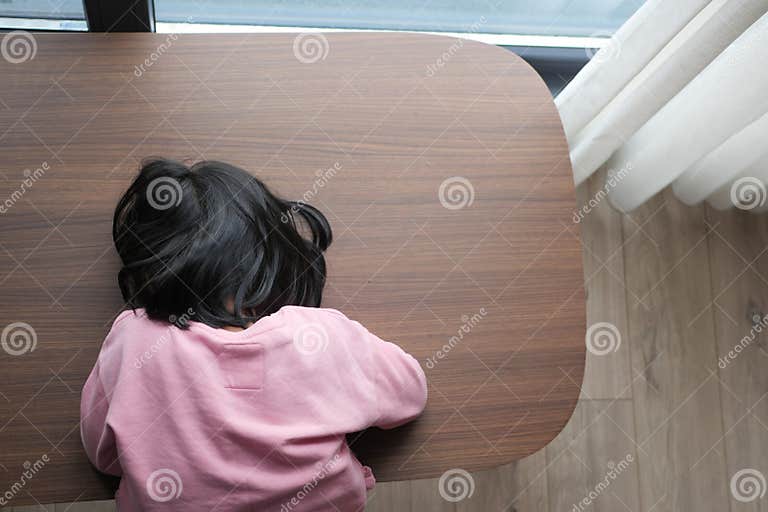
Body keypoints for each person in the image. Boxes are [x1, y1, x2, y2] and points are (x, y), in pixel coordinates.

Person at [80, 158, 427, 511]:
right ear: (273, 253)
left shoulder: (135, 341)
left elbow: (103, 455)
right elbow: (409, 395)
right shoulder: (317, 337)